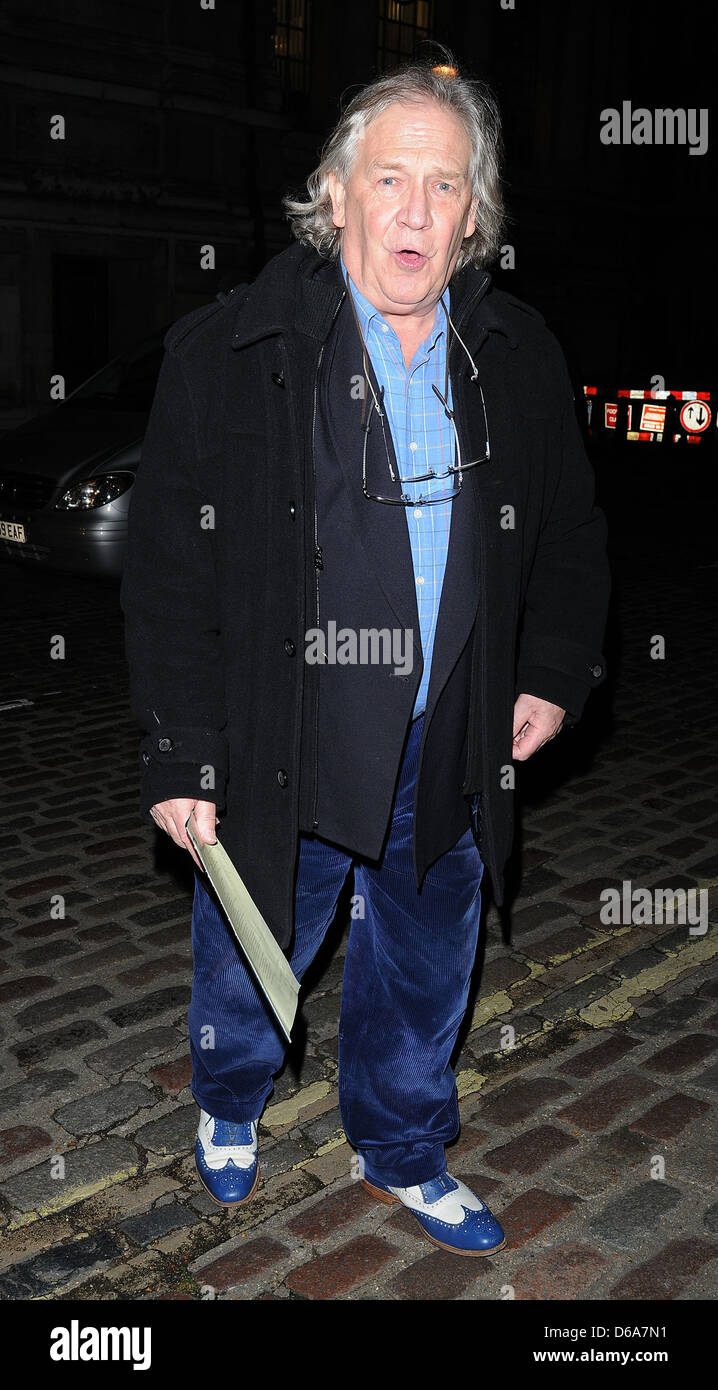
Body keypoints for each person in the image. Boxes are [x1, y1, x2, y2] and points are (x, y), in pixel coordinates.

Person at [120, 56, 610, 1258]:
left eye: (443, 186)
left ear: (473, 216)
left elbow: (571, 530)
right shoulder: (229, 351)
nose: (412, 209)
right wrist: (183, 749)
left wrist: (549, 669)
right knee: (251, 946)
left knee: (425, 965)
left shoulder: (519, 354)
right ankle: (231, 1097)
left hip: (449, 731)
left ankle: (400, 1144)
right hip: (280, 729)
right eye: (387, 176)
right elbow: (171, 570)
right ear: (333, 195)